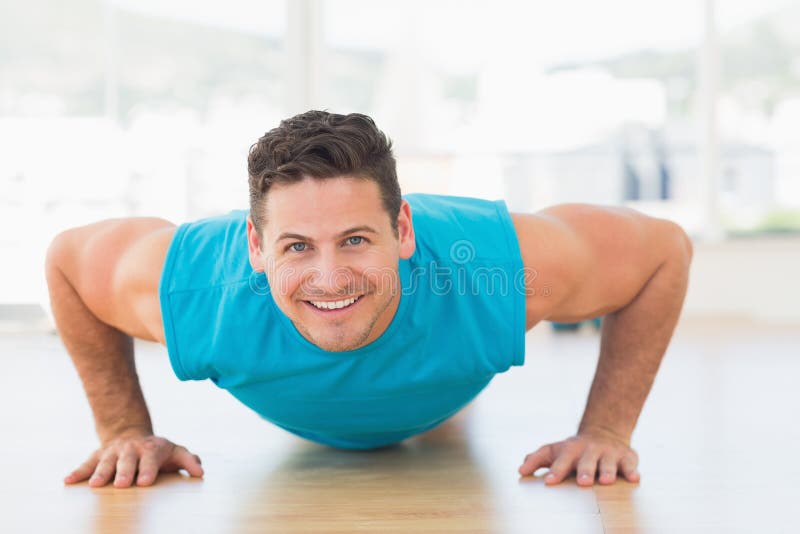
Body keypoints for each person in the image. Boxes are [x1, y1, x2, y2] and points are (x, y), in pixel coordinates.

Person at [46, 110, 692, 490]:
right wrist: (124, 430)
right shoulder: (190, 289)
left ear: (403, 229)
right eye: (297, 246)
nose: (330, 277)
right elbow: (67, 261)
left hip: (445, 377)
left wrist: (606, 430)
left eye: (356, 239)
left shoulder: (501, 269)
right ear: (254, 246)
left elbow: (663, 249)